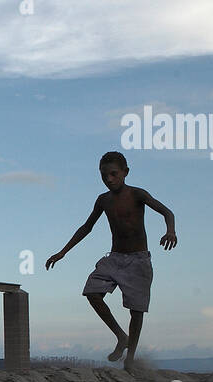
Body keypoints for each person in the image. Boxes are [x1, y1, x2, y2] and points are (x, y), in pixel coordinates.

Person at [45, 151, 177, 369]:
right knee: (92, 292)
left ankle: (131, 359)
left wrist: (170, 231)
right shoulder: (103, 200)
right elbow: (87, 227)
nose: (109, 179)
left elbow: (167, 212)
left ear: (125, 173)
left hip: (138, 260)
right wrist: (63, 252)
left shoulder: (137, 194)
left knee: (136, 310)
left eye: (114, 174)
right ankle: (121, 336)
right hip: (114, 259)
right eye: (104, 175)